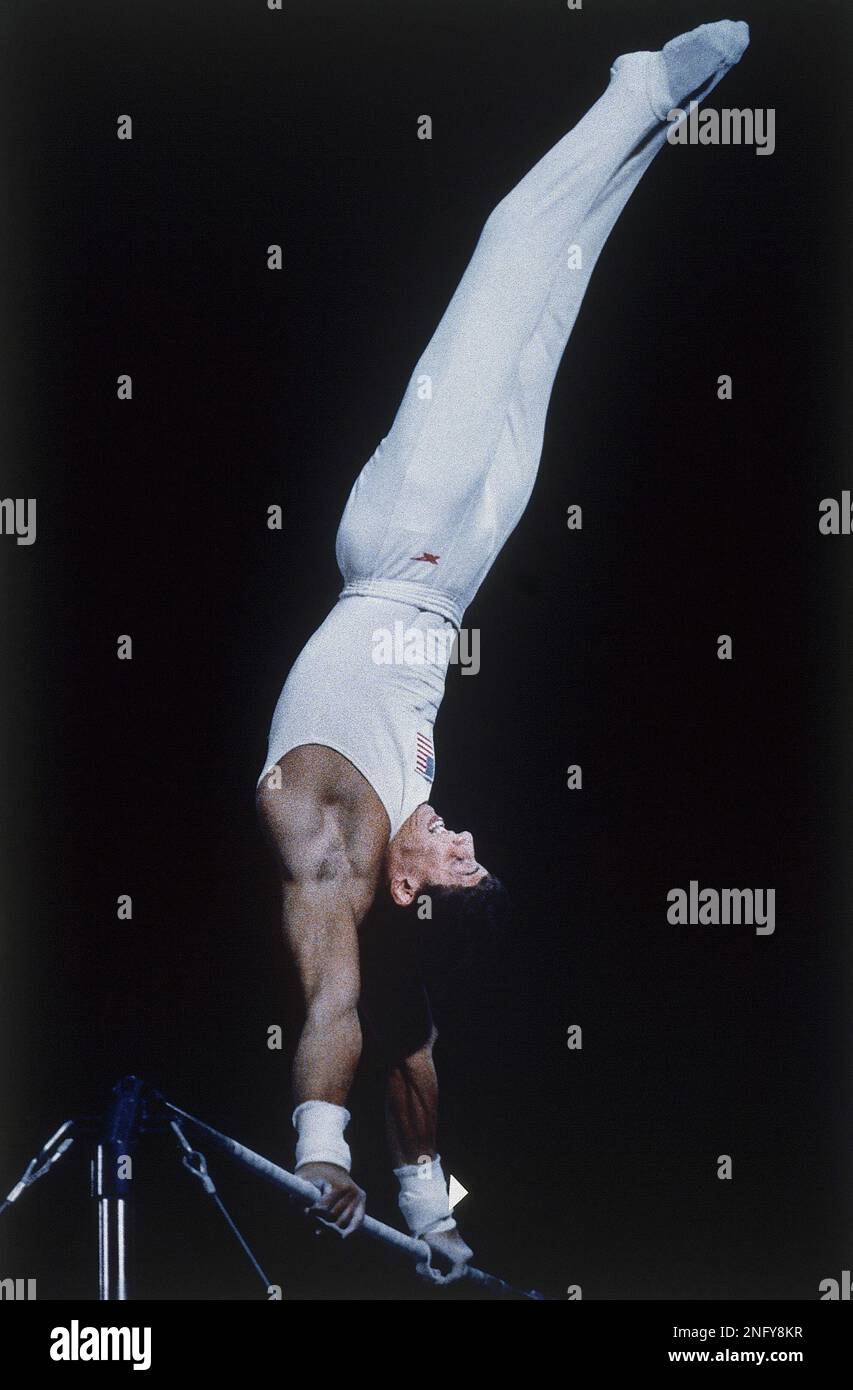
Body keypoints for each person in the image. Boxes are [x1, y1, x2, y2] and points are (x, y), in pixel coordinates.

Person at [256, 20, 750, 1282]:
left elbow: (329, 1012)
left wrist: (318, 1147)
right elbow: (413, 1082)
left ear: (410, 883)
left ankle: (631, 90)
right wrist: (433, 1224)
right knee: (554, 316)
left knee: (509, 247)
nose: (462, 833)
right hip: (457, 581)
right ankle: (654, 125)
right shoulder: (414, 959)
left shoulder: (334, 846)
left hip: (400, 536)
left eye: (460, 858)